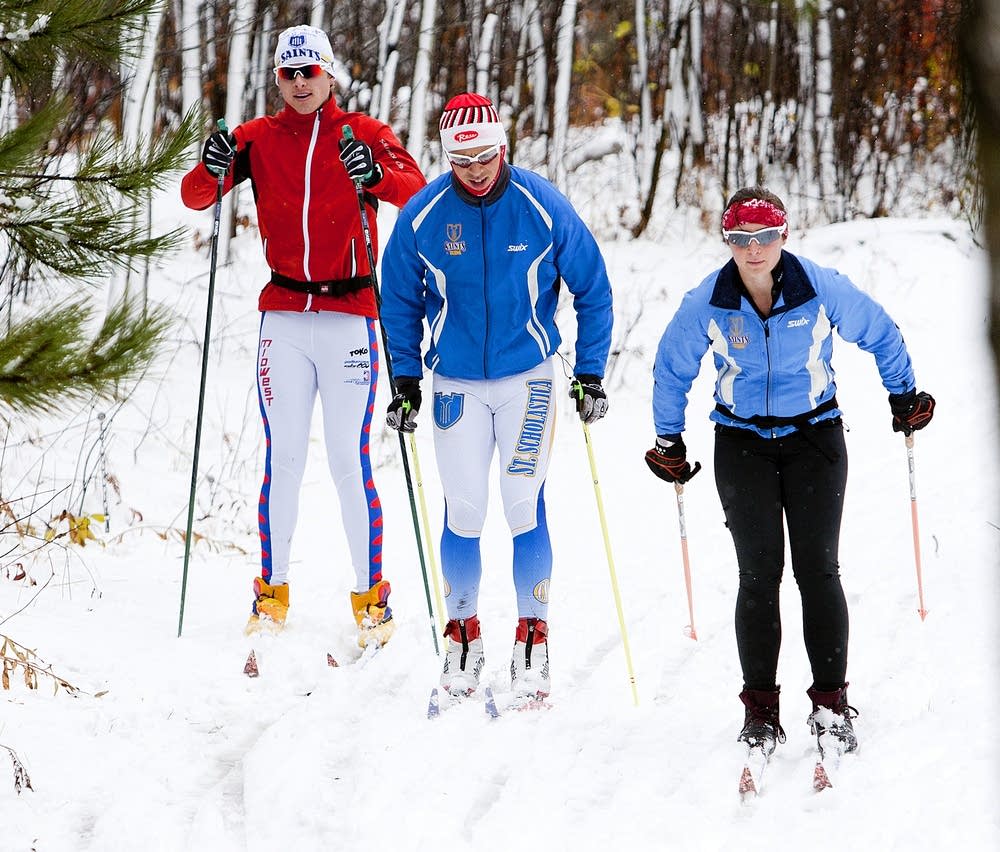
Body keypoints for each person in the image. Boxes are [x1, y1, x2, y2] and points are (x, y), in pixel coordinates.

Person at [645, 187, 935, 758]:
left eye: (765, 237)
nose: (753, 250)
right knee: (757, 577)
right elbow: (672, 367)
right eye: (740, 238)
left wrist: (903, 393)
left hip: (815, 439)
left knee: (818, 571)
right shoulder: (707, 301)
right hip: (741, 445)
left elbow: (878, 330)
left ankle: (830, 706)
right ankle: (760, 713)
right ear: (727, 240)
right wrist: (667, 438)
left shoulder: (819, 287)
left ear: (784, 235)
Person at [180, 24, 426, 647]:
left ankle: (371, 599)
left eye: (308, 72)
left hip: (350, 315)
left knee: (348, 458)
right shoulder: (258, 137)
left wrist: (374, 175)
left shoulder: (363, 132)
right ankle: (271, 594)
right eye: (288, 74)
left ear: (329, 75)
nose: (298, 84)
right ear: (277, 79)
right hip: (285, 315)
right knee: (284, 456)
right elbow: (194, 195)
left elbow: (418, 191)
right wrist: (211, 165)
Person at [379, 93, 614, 699]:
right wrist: (405, 380)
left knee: (521, 503)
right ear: (447, 159)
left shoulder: (540, 204)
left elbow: (593, 286)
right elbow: (398, 299)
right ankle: (463, 633)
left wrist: (589, 372)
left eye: (485, 157)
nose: (476, 171)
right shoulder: (423, 215)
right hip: (455, 381)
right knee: (463, 509)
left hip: (526, 378)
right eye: (462, 162)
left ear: (503, 147)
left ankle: (533, 635)